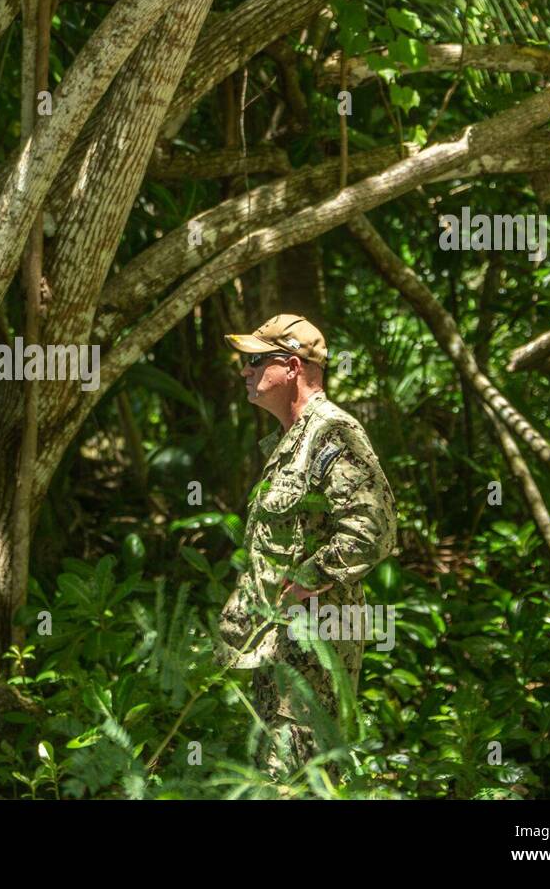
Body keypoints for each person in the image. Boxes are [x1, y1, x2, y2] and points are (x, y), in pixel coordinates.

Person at [215, 314, 396, 778]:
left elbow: (372, 530)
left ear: (292, 367)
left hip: (313, 650)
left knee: (295, 782)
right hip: (281, 650)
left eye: (256, 361)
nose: (244, 371)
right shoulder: (289, 440)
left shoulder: (332, 432)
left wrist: (304, 581)